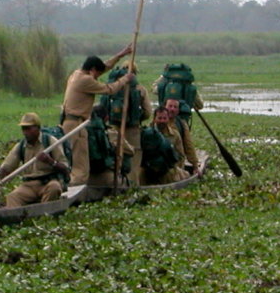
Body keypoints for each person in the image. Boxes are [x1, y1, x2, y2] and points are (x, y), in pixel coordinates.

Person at [60, 45, 134, 185]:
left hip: (69, 123)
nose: (98, 76)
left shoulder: (76, 74)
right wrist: (125, 79)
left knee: (75, 162)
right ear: (92, 70)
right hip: (76, 125)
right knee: (81, 169)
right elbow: (110, 89)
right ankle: (74, 195)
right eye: (97, 73)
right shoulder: (86, 81)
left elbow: (103, 67)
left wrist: (121, 54)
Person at [0, 112, 70, 208]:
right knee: (12, 197)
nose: (25, 132)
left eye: (28, 129)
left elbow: (65, 168)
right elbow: (6, 168)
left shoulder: (50, 142)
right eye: (23, 129)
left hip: (47, 183)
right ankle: (16, 218)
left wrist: (50, 162)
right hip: (29, 185)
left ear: (37, 128)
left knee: (54, 188)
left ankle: (45, 214)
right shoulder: (21, 146)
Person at [85, 104, 134, 189]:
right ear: (107, 118)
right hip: (108, 177)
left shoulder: (84, 133)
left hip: (86, 177)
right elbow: (131, 151)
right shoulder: (111, 133)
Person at [152, 62, 204, 128]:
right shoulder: (189, 87)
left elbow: (154, 89)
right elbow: (200, 105)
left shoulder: (164, 85)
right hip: (183, 124)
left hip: (164, 122)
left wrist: (163, 77)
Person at [146, 107, 188, 185]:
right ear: (154, 119)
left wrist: (176, 169)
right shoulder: (147, 134)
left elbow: (181, 156)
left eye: (164, 118)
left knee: (171, 174)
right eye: (160, 118)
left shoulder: (174, 135)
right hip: (150, 168)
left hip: (169, 169)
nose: (162, 121)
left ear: (168, 119)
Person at [164, 97, 200, 174]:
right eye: (170, 106)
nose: (172, 109)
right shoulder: (157, 122)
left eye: (175, 107)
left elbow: (188, 145)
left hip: (176, 164)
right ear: (165, 108)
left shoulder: (181, 124)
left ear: (178, 110)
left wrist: (195, 166)